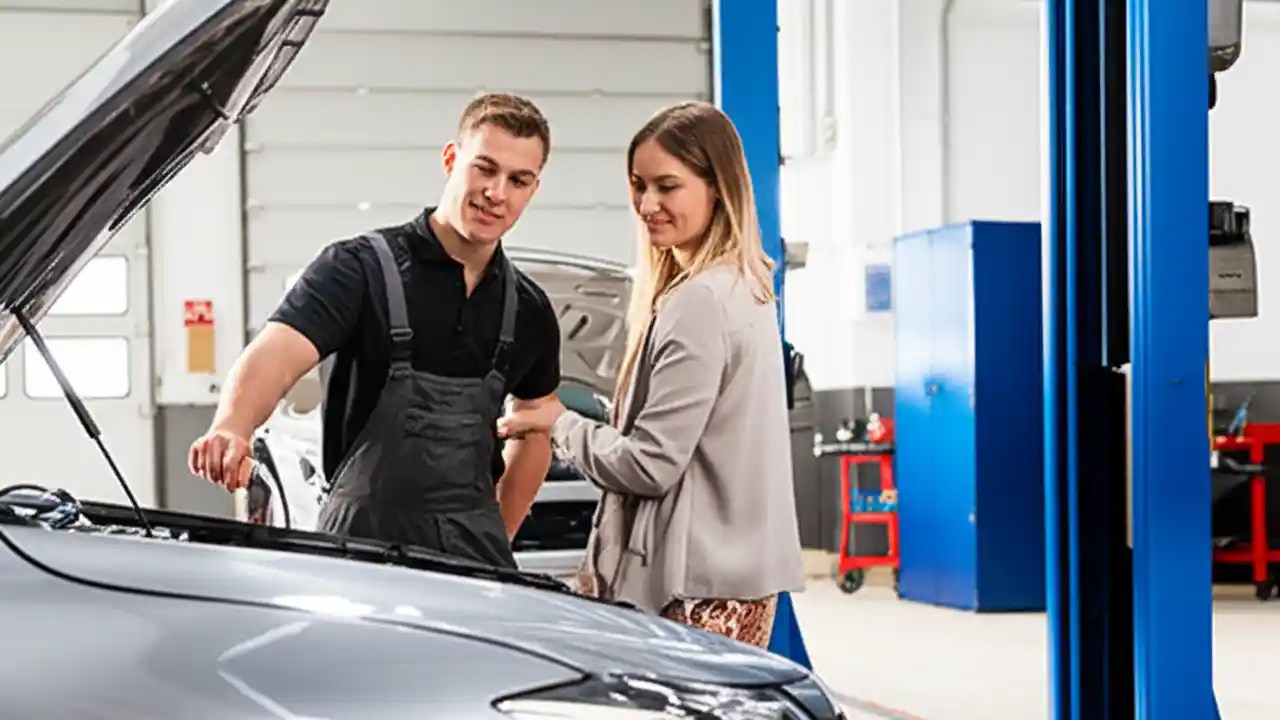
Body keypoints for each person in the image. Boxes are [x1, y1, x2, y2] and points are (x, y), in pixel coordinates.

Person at [189, 92, 563, 569]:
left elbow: (534, 428)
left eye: (518, 180)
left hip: (473, 557)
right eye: (484, 169)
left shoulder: (527, 308)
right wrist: (233, 425)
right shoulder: (359, 269)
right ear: (452, 159)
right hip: (360, 550)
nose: (497, 193)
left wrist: (496, 536)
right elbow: (278, 352)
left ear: (533, 188)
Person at [496, 101, 805, 647]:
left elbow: (649, 464)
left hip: (692, 593)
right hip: (739, 583)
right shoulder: (747, 290)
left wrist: (559, 423)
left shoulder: (700, 302)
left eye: (668, 186)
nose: (647, 204)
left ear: (718, 188)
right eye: (638, 185)